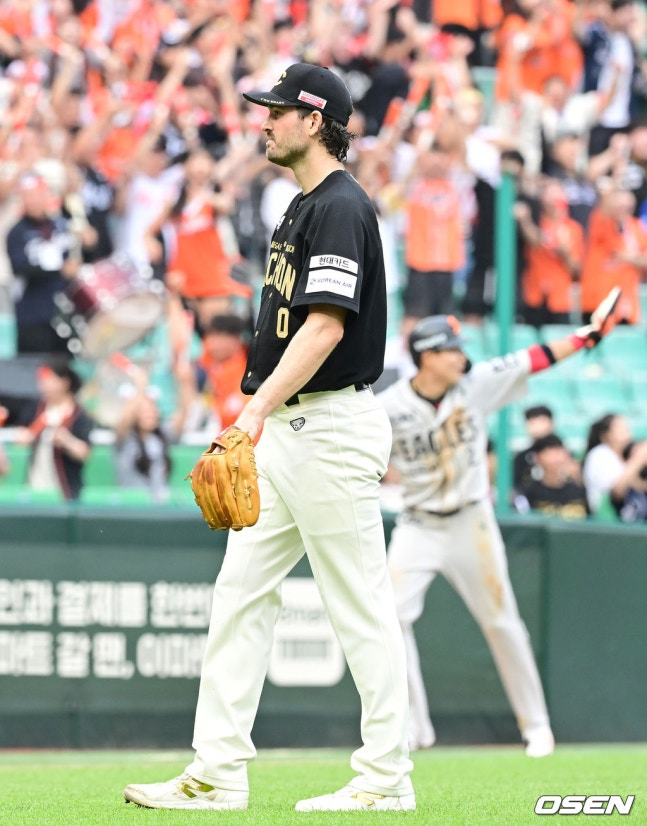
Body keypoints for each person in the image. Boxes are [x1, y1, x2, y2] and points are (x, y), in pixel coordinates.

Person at [124, 62, 415, 813]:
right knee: (239, 595)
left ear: (313, 121)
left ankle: (386, 778)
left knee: (359, 605)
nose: (262, 120)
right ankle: (217, 773)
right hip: (287, 428)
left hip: (327, 426)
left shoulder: (341, 207)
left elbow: (325, 325)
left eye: (275, 110)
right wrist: (261, 416)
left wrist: (252, 411)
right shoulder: (300, 206)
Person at [379, 308, 620, 758]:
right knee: (389, 620)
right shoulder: (389, 406)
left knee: (502, 622)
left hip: (472, 519)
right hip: (418, 523)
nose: (460, 357)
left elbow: (535, 357)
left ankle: (536, 727)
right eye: (451, 349)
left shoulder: (476, 383)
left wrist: (585, 338)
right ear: (427, 355)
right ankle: (414, 728)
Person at [14, 358, 93, 500]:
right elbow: (21, 438)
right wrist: (40, 425)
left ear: (64, 382)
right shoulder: (36, 408)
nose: (43, 386)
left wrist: (66, 440)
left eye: (49, 381)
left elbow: (84, 453)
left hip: (66, 491)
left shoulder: (79, 415)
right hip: (36, 487)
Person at [582, 413, 647, 513]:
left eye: (626, 428)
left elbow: (638, 486)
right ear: (605, 435)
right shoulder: (600, 454)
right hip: (605, 519)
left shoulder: (623, 457)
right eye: (620, 429)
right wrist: (638, 458)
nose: (627, 433)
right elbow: (617, 491)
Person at [515, 433, 590, 519]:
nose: (556, 459)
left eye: (558, 452)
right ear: (537, 457)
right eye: (549, 453)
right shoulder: (529, 493)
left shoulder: (578, 491)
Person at [513, 404, 555, 490]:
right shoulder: (521, 458)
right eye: (532, 423)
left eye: (541, 421)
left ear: (551, 423)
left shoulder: (565, 455)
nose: (537, 427)